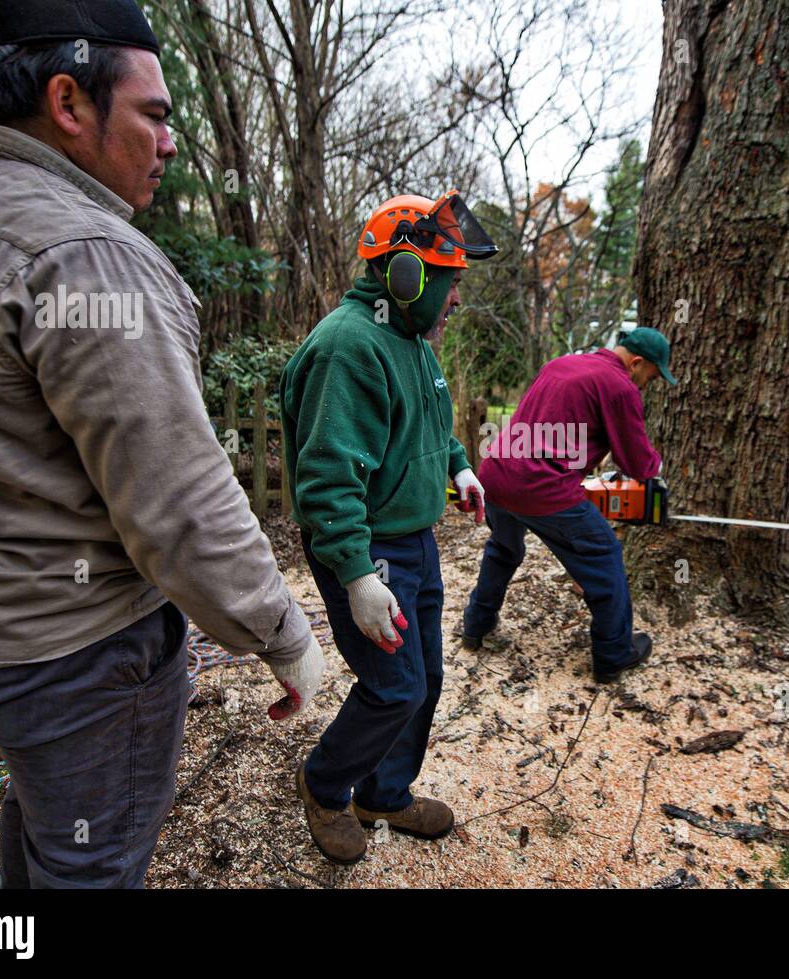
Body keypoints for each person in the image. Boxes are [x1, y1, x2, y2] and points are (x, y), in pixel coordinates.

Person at [0, 0, 324, 889]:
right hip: (68, 647)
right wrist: (282, 632)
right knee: (93, 862)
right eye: (153, 116)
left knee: (50, 819)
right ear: (69, 103)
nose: (170, 144)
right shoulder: (85, 251)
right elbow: (181, 503)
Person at [281, 191, 496, 864]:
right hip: (370, 548)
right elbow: (327, 477)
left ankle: (385, 790)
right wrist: (356, 573)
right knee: (393, 684)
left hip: (415, 540)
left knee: (424, 676)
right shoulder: (349, 348)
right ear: (408, 274)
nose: (456, 299)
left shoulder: (411, 342)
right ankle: (323, 784)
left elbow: (432, 420)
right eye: (451, 281)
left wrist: (459, 467)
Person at [462, 328, 677, 682]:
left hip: (497, 473)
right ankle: (613, 654)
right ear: (636, 363)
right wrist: (657, 466)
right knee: (604, 557)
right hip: (541, 488)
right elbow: (637, 463)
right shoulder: (620, 387)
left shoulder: (563, 363)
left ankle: (476, 626)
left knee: (503, 549)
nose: (646, 386)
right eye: (650, 378)